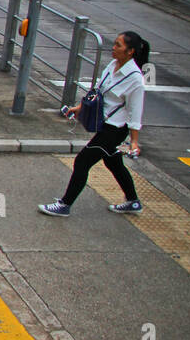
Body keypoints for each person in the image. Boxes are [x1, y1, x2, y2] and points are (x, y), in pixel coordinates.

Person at [41, 31, 149, 217]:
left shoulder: (135, 79)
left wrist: (134, 142)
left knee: (82, 161)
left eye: (118, 45)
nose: (113, 48)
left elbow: (135, 113)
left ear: (130, 51)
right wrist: (79, 107)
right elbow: (99, 91)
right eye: (114, 44)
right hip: (104, 124)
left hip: (115, 130)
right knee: (113, 162)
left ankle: (64, 205)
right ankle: (133, 201)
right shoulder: (113, 65)